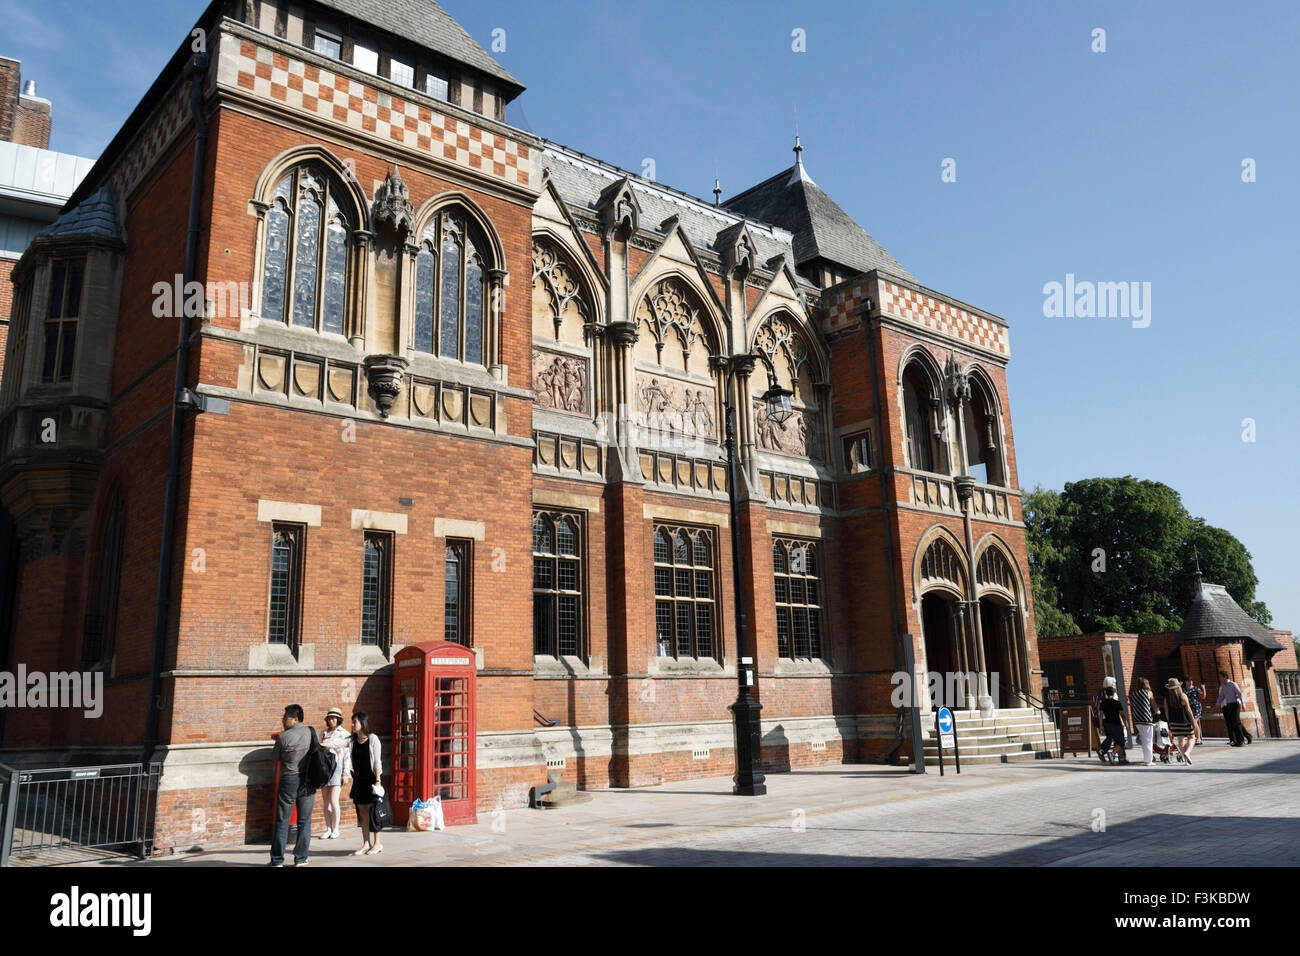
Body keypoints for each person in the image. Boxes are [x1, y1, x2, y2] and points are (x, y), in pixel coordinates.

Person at [269, 703, 318, 867]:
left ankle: (277, 860)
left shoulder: (283, 737)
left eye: (285, 718)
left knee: (282, 820)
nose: (283, 721)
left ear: (295, 719)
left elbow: (275, 758)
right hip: (308, 781)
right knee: (305, 821)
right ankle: (301, 858)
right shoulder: (312, 732)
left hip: (289, 780)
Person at [349, 711, 385, 856]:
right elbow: (338, 744)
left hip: (371, 781)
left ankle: (377, 843)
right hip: (358, 781)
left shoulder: (373, 739)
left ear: (362, 723)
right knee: (362, 814)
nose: (352, 724)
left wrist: (378, 781)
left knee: (373, 814)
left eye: (354, 722)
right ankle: (365, 843)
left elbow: (377, 762)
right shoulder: (352, 741)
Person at [319, 706, 352, 839]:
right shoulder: (323, 733)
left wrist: (346, 773)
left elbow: (347, 755)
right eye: (329, 718)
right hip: (324, 768)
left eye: (334, 718)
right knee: (325, 801)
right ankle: (328, 828)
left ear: (339, 719)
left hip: (337, 767)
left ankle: (336, 828)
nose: (331, 720)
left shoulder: (344, 734)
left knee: (334, 800)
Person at [1216, 671, 1253, 746]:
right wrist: (1217, 704)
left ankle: (1241, 741)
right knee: (1233, 723)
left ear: (1225, 677)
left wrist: (1243, 705)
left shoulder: (1232, 684)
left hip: (1235, 704)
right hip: (1229, 705)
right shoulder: (1223, 686)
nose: (1219, 678)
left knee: (1236, 722)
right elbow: (1221, 696)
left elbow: (1239, 694)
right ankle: (1246, 737)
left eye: (1220, 677)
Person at [1164, 678, 1195, 765]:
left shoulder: (1167, 697)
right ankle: (1187, 753)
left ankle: (1186, 760)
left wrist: (1169, 722)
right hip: (1184, 721)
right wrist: (1193, 722)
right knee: (1192, 738)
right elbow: (1188, 710)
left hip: (1173, 722)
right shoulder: (1183, 696)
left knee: (1180, 740)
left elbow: (1166, 711)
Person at [1097, 686, 1128, 765]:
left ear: (1106, 694)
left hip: (1107, 724)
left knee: (1111, 739)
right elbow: (1122, 714)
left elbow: (1100, 715)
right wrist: (1125, 722)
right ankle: (1113, 753)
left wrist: (1101, 725)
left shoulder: (1103, 703)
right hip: (1116, 724)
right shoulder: (1117, 703)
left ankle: (1122, 759)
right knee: (1121, 742)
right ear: (1114, 693)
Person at [1129, 677, 1156, 766]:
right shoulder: (1148, 693)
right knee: (1148, 740)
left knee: (1144, 740)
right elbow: (1154, 705)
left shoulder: (1134, 694)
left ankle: (1147, 758)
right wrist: (1157, 711)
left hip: (1137, 720)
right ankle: (1148, 761)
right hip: (1146, 719)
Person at [1183, 675, 1205, 744]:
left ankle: (1195, 738)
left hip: (1196, 707)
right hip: (1188, 708)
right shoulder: (1183, 690)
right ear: (1185, 682)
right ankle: (1197, 738)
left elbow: (1203, 697)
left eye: (1191, 681)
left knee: (1194, 723)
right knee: (1193, 723)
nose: (1190, 682)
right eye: (1189, 681)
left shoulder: (1196, 688)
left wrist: (1203, 689)